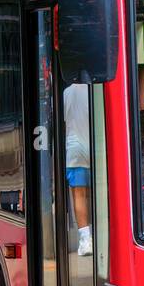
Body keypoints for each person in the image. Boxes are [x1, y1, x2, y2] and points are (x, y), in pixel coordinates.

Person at [63, 82, 93, 257]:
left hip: (74, 149)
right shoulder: (94, 90)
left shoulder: (66, 92)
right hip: (95, 147)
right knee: (92, 194)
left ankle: (85, 240)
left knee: (79, 194)